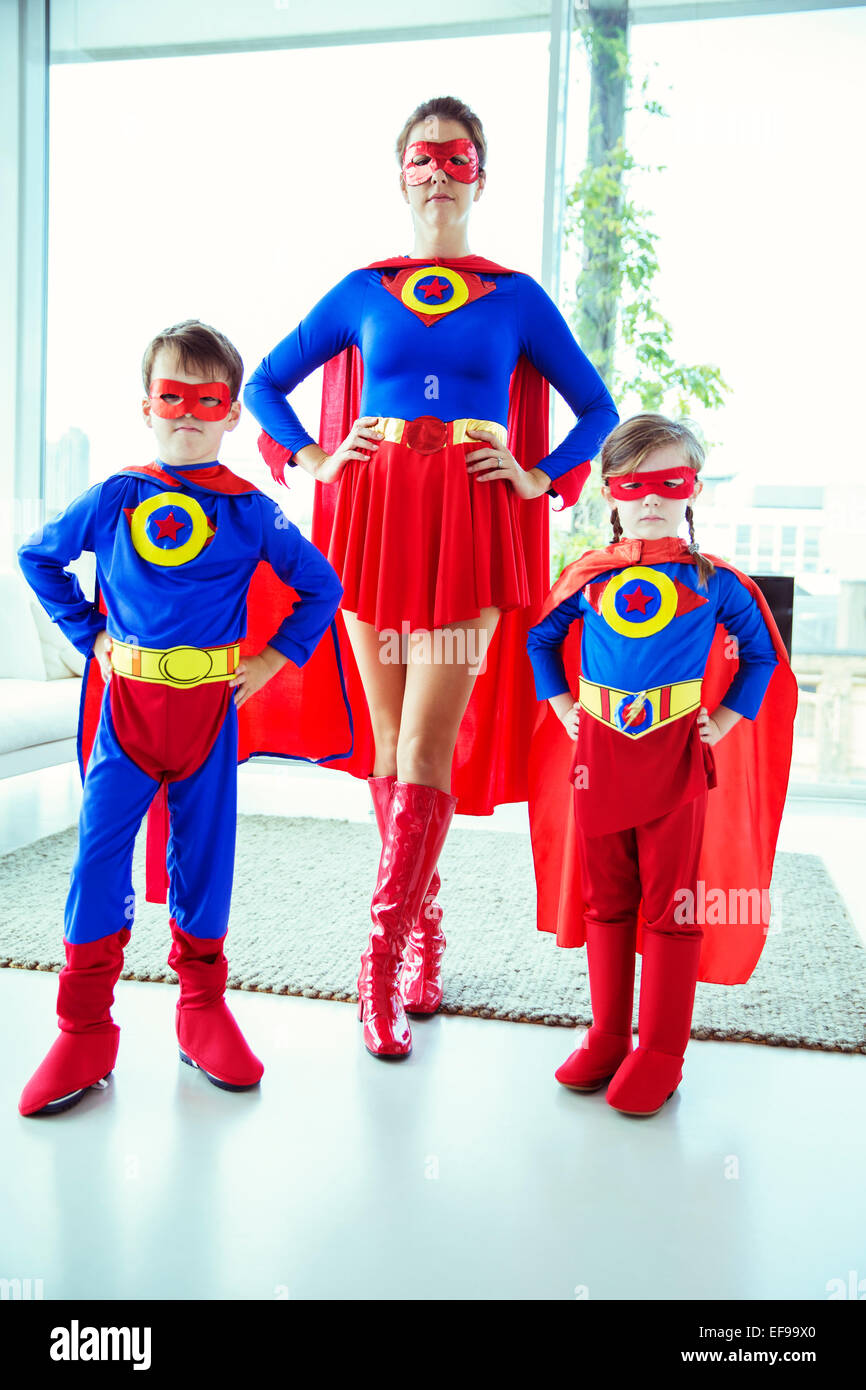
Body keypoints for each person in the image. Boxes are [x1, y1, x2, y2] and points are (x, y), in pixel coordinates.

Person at [243, 96, 619, 1060]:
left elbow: (596, 408)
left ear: (481, 176)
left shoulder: (515, 295)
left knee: (423, 745)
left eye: (459, 157)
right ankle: (423, 941)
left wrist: (542, 477)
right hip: (372, 516)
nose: (440, 171)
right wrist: (315, 458)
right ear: (401, 174)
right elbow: (262, 386)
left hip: (472, 519)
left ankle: (375, 970)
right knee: (384, 743)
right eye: (423, 156)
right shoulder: (365, 289)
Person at [16, 320, 343, 1116]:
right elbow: (40, 556)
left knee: (207, 857)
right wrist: (88, 635)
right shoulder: (115, 497)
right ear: (147, 407)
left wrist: (269, 662)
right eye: (173, 396)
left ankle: (201, 1010)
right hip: (124, 714)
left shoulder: (252, 512)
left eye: (208, 399)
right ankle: (83, 1027)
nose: (188, 413)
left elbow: (321, 587)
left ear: (233, 414)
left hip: (209, 716)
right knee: (99, 859)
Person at [525, 414, 797, 1116]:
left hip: (676, 756)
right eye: (634, 483)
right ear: (610, 493)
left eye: (668, 481)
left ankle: (663, 1053)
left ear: (692, 489)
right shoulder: (588, 575)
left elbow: (761, 654)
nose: (650, 498)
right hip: (601, 754)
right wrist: (560, 707)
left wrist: (725, 720)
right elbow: (540, 640)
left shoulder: (713, 581)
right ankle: (611, 1035)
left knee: (673, 907)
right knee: (605, 899)